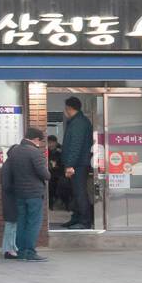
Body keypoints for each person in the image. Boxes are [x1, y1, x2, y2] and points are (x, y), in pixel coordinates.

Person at [4, 127, 50, 261]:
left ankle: (21, 251)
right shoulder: (34, 153)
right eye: (40, 141)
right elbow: (45, 174)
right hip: (34, 194)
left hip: (19, 193)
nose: (40, 144)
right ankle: (30, 251)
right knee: (33, 223)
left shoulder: (15, 151)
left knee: (22, 222)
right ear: (36, 139)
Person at [60, 97, 95, 229]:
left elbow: (76, 146)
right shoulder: (76, 121)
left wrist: (70, 165)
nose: (65, 110)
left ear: (69, 108)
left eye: (65, 108)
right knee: (75, 193)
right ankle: (76, 218)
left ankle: (85, 221)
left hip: (78, 165)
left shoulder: (79, 123)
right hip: (76, 163)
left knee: (80, 192)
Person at [46, 135, 67, 213]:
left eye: (52, 143)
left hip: (60, 174)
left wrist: (57, 165)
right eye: (49, 143)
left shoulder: (61, 150)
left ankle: (62, 203)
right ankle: (50, 205)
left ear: (56, 142)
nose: (50, 145)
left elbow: (64, 162)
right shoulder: (46, 151)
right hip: (49, 174)